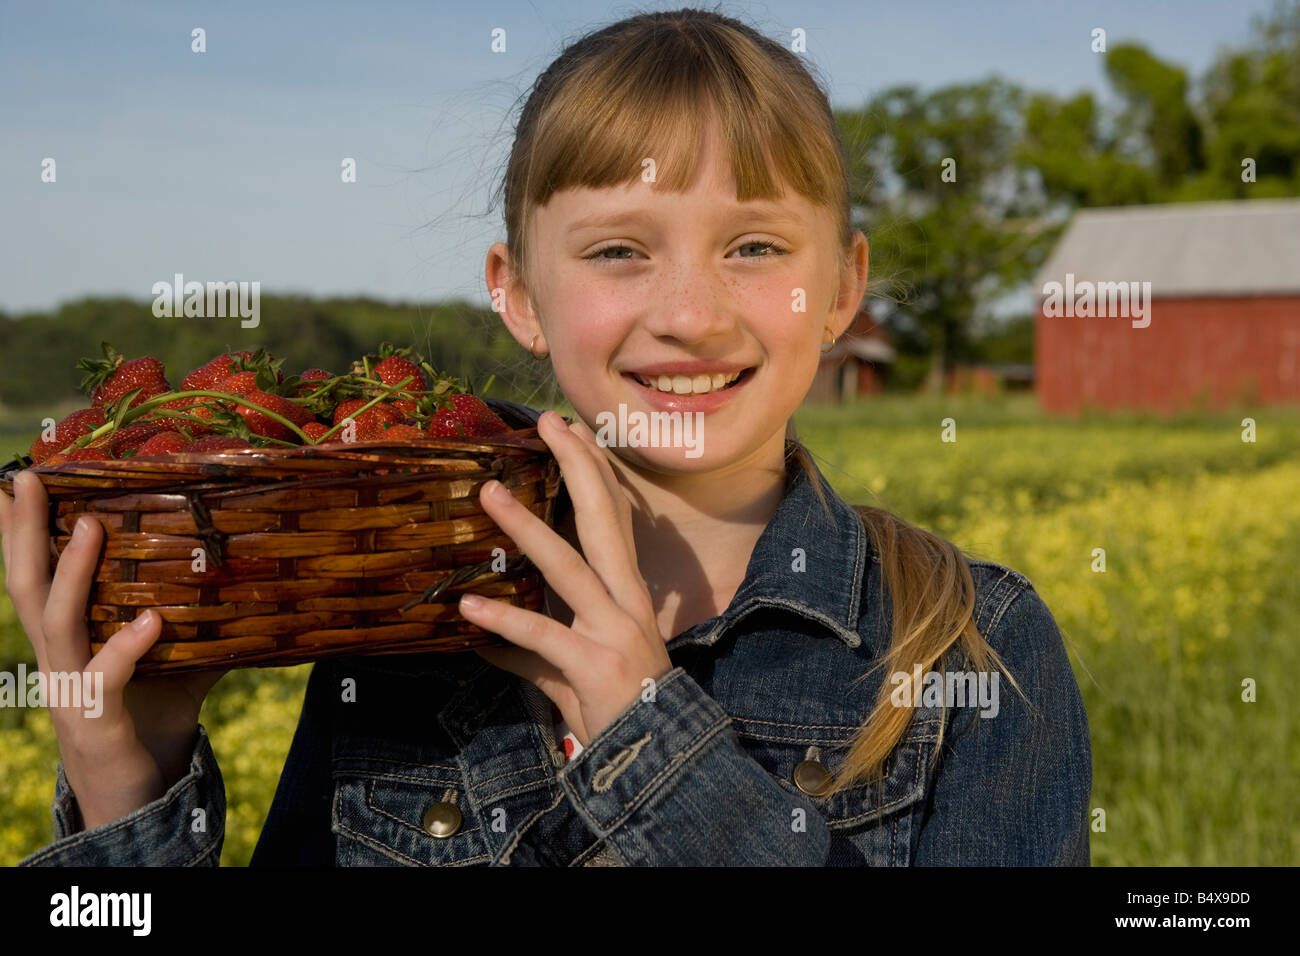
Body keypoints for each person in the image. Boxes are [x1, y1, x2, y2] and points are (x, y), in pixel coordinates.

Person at [0, 8, 1091, 866]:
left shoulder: (968, 650)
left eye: (754, 245)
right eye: (618, 251)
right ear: (516, 292)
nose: (691, 314)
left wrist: (651, 743)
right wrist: (123, 792)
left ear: (843, 285)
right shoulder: (404, 630)